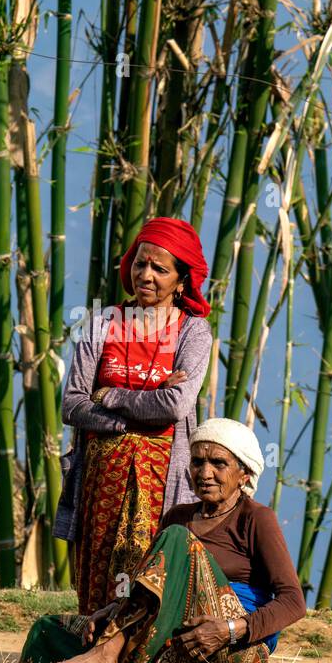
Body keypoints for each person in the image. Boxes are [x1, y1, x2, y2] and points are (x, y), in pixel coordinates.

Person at [24, 418, 306, 663]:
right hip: (170, 634)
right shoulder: (178, 515)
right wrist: (114, 608)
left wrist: (229, 631)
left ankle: (108, 654)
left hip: (227, 645)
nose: (205, 473)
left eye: (218, 463)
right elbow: (151, 582)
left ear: (244, 474)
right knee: (47, 631)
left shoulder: (256, 518)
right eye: (197, 462)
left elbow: (293, 601)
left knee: (178, 539)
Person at [55, 217, 213, 615]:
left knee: (148, 572)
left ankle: (137, 659)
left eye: (160, 269)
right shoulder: (104, 323)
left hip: (162, 484)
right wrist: (138, 414)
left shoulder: (193, 333)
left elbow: (177, 407)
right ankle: (94, 651)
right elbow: (73, 404)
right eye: (141, 263)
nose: (146, 275)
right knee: (99, 572)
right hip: (99, 481)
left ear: (181, 281)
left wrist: (109, 395)